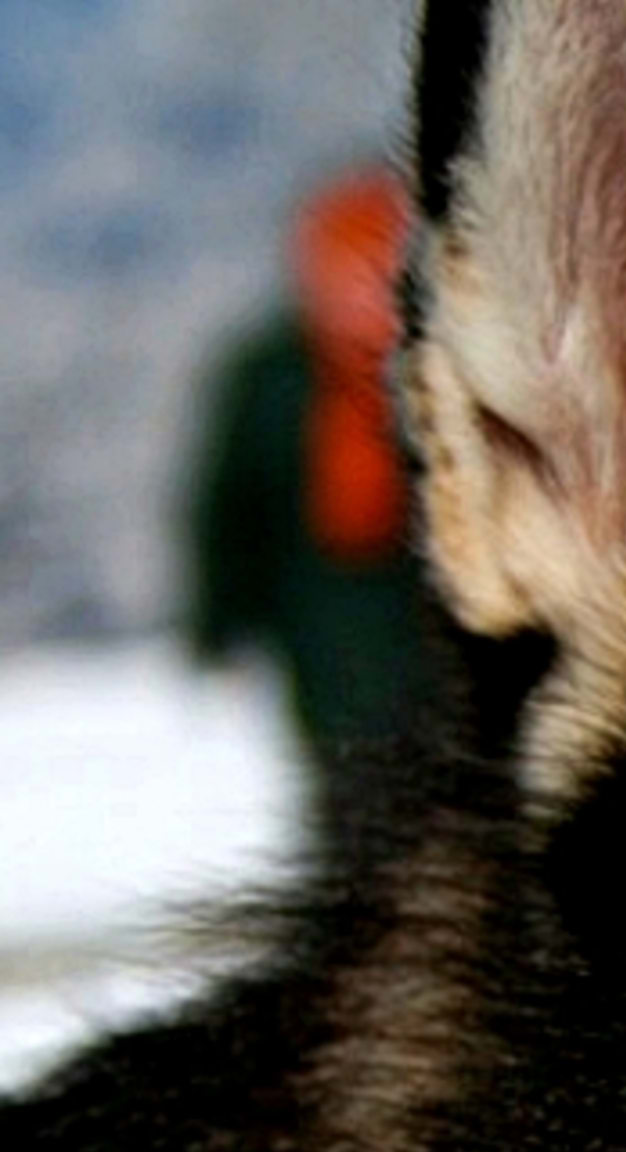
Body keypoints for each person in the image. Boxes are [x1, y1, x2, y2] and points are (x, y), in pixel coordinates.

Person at [183, 165, 431, 785]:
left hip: (430, 641)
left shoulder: (442, 356)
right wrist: (219, 618)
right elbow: (231, 508)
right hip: (323, 637)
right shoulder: (273, 375)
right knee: (348, 792)